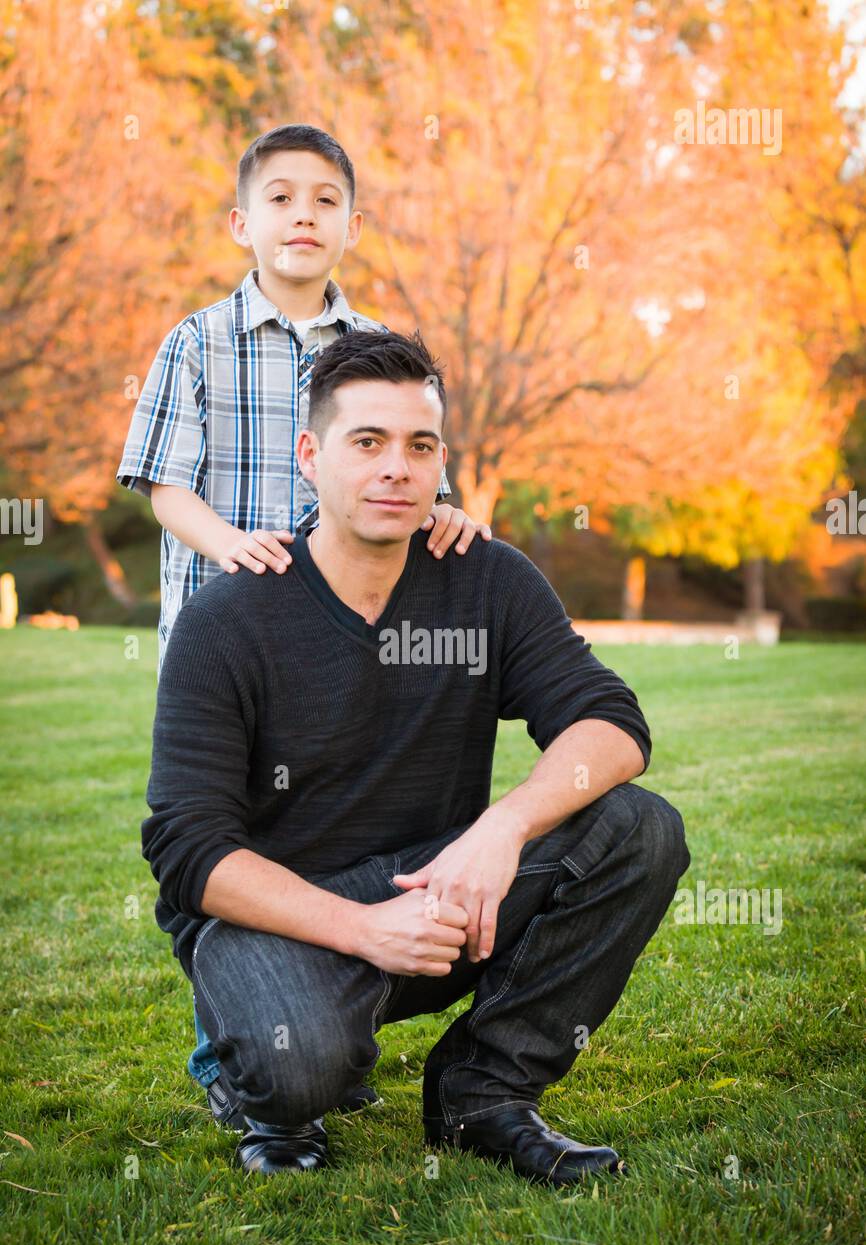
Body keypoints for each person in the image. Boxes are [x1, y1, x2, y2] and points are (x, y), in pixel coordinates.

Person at [141, 329, 691, 1186]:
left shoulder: (488, 581)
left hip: (438, 896)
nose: (397, 467)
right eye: (368, 442)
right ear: (311, 454)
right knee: (300, 1072)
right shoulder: (231, 618)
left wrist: (502, 830)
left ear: (441, 461)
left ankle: (483, 1094)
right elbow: (186, 849)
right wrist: (363, 929)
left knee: (638, 830)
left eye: (420, 445)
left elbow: (611, 724)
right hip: (284, 921)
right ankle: (256, 1075)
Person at [117, 125, 490, 1113]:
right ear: (242, 223)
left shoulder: (375, 349)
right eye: (280, 199)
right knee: (232, 848)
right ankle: (238, 1063)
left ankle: (323, 1027)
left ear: (350, 226)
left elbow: (417, 477)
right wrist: (226, 541)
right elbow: (160, 484)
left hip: (340, 652)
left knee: (324, 840)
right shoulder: (195, 340)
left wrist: (446, 513)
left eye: (324, 200)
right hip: (228, 640)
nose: (302, 217)